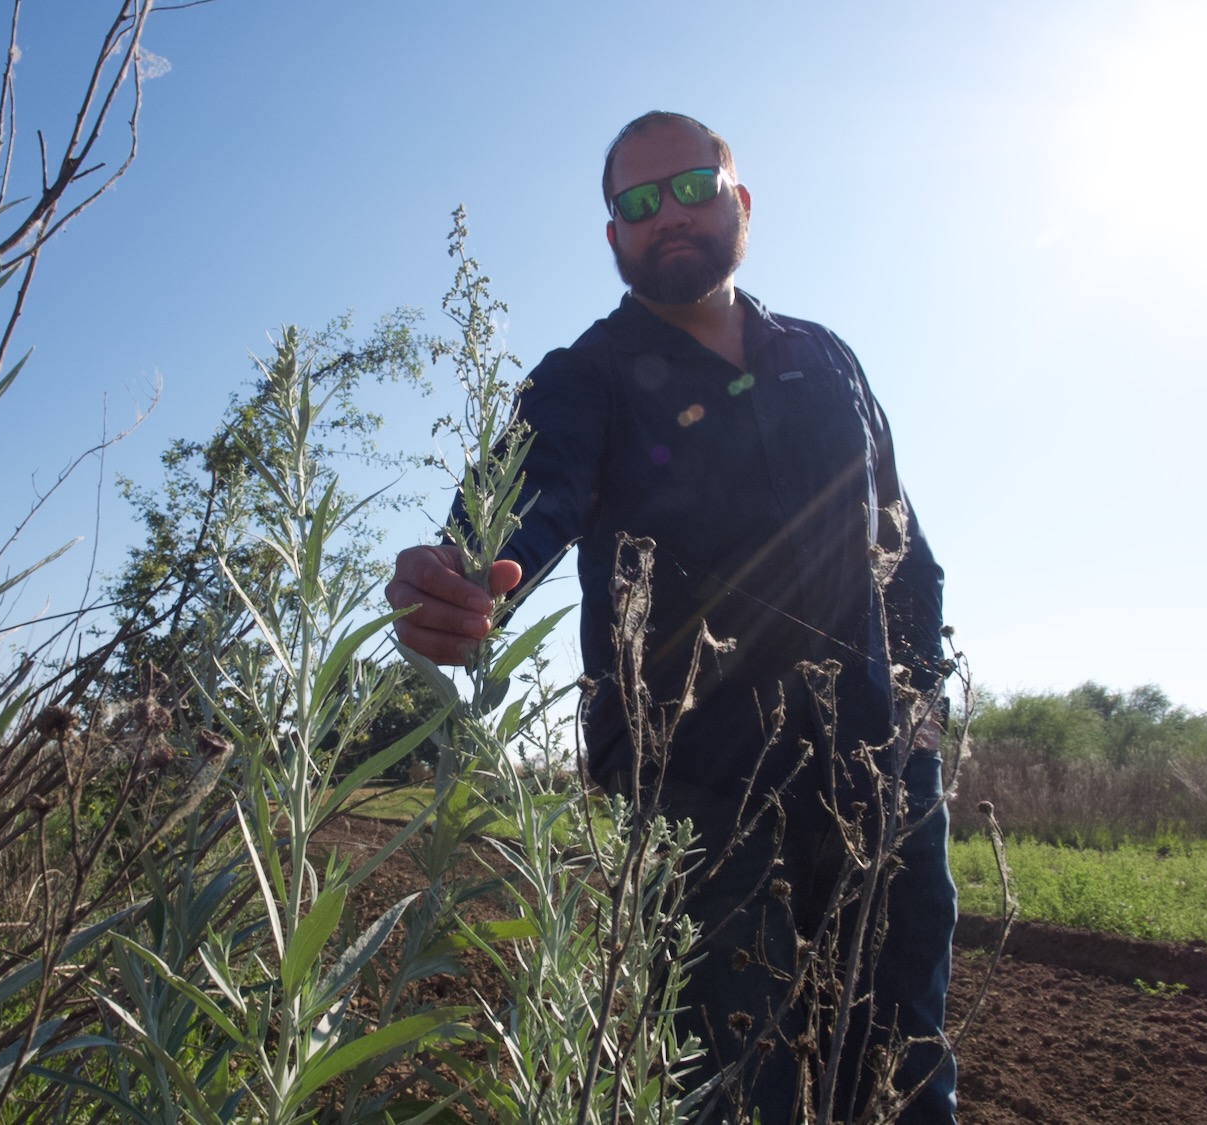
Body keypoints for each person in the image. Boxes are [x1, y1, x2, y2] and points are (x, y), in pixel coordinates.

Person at [386, 111, 956, 1124]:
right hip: (697, 802)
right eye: (637, 205)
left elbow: (898, 543)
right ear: (614, 238)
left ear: (740, 202)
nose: (668, 216)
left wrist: (919, 716)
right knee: (734, 1095)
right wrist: (462, 573)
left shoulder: (828, 359)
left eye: (693, 187)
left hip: (877, 777)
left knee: (902, 1070)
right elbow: (528, 496)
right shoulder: (585, 377)